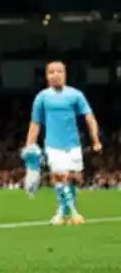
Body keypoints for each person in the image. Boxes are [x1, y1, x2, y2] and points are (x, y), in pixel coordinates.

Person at [26, 61, 102, 225]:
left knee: (73, 180)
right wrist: (29, 145)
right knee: (59, 178)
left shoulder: (76, 95)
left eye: (59, 71)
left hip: (73, 144)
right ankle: (70, 212)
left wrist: (95, 140)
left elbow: (89, 118)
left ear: (65, 74)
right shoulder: (42, 97)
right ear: (47, 76)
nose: (56, 75)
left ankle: (63, 210)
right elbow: (35, 123)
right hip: (53, 145)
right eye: (51, 72)